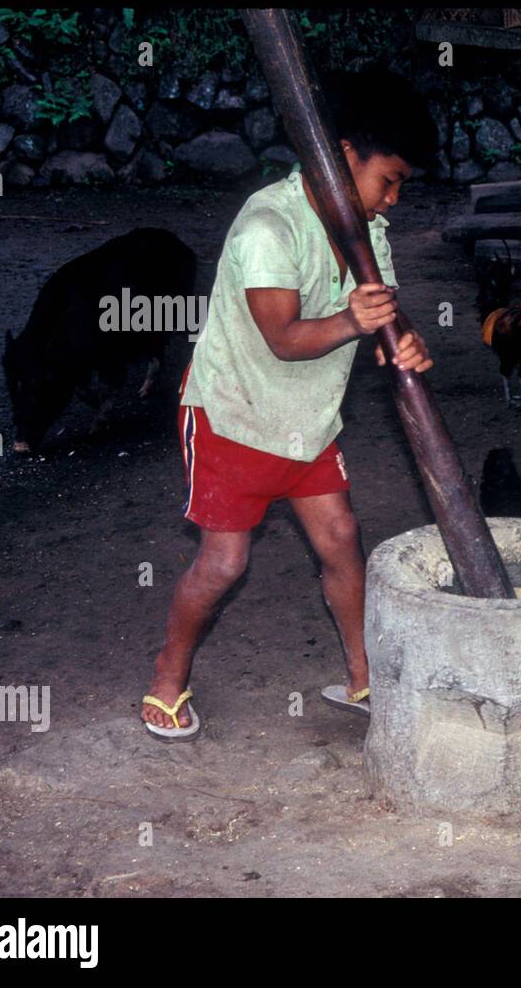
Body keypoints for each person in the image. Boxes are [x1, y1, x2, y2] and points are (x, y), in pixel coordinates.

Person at [141, 67, 439, 741]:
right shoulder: (267, 227)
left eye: (400, 187)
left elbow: (386, 314)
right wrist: (354, 324)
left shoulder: (365, 233)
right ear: (343, 156)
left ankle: (363, 676)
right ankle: (167, 672)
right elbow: (281, 336)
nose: (392, 198)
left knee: (341, 539)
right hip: (233, 414)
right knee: (225, 563)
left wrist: (405, 343)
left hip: (305, 423)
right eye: (386, 179)